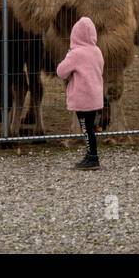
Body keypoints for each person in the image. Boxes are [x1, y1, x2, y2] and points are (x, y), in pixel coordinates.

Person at [56, 17, 105, 169]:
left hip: (82, 100)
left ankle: (92, 158)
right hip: (95, 98)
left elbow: (61, 72)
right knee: (90, 128)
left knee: (86, 129)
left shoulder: (75, 54)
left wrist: (69, 55)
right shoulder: (97, 51)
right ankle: (91, 155)